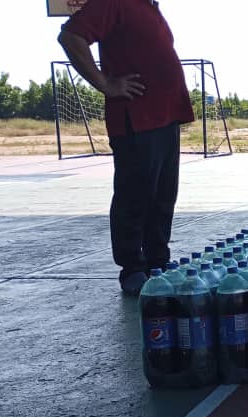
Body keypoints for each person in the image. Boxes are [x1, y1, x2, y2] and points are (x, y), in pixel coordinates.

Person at [58, 0, 195, 295]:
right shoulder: (115, 1)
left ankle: (158, 261)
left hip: (164, 117)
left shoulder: (148, 6)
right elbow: (70, 36)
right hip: (137, 118)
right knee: (135, 195)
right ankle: (132, 266)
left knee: (163, 195)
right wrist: (105, 83)